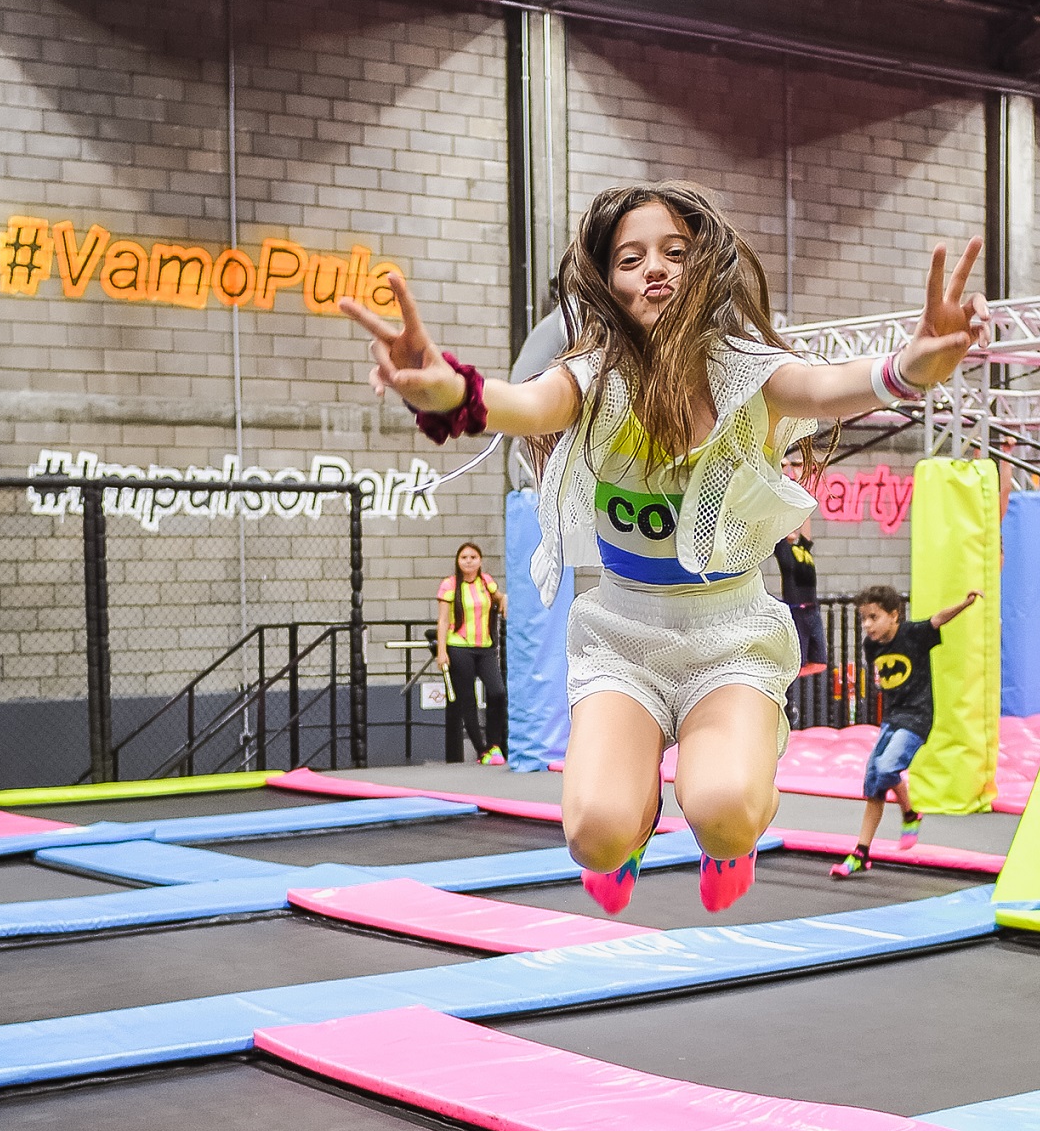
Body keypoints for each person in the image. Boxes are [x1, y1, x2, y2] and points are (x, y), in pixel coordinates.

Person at [339, 183, 989, 913]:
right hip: (622, 631)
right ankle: (638, 816)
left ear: (702, 266)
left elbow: (828, 385)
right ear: (605, 280)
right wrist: (448, 391)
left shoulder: (746, 371)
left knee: (720, 810)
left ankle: (733, 832)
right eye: (631, 257)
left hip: (729, 632)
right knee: (594, 836)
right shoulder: (591, 379)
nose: (655, 268)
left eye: (674, 252)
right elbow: (523, 404)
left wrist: (911, 369)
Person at [830, 583, 983, 879]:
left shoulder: (913, 634)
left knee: (887, 767)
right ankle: (861, 851)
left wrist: (964, 604)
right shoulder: (871, 646)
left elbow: (938, 619)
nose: (867, 625)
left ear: (894, 615)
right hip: (892, 718)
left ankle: (910, 812)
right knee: (874, 781)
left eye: (874, 617)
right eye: (863, 618)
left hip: (917, 717)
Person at [436, 542, 507, 765]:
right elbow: (443, 620)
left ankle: (495, 745)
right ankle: (482, 750)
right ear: (458, 561)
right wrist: (441, 652)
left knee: (497, 692)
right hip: (459, 646)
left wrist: (504, 600)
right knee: (468, 700)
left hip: (485, 647)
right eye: (464, 557)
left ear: (480, 560)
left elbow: (499, 598)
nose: (468, 561)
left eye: (473, 557)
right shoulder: (449, 585)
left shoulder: (486, 582)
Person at [773, 460, 826, 727]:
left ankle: (796, 704)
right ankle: (788, 709)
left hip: (812, 609)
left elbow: (807, 516)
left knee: (820, 661)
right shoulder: (784, 549)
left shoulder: (803, 548)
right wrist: (783, 476)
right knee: (797, 663)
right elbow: (779, 516)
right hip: (796, 611)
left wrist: (797, 480)